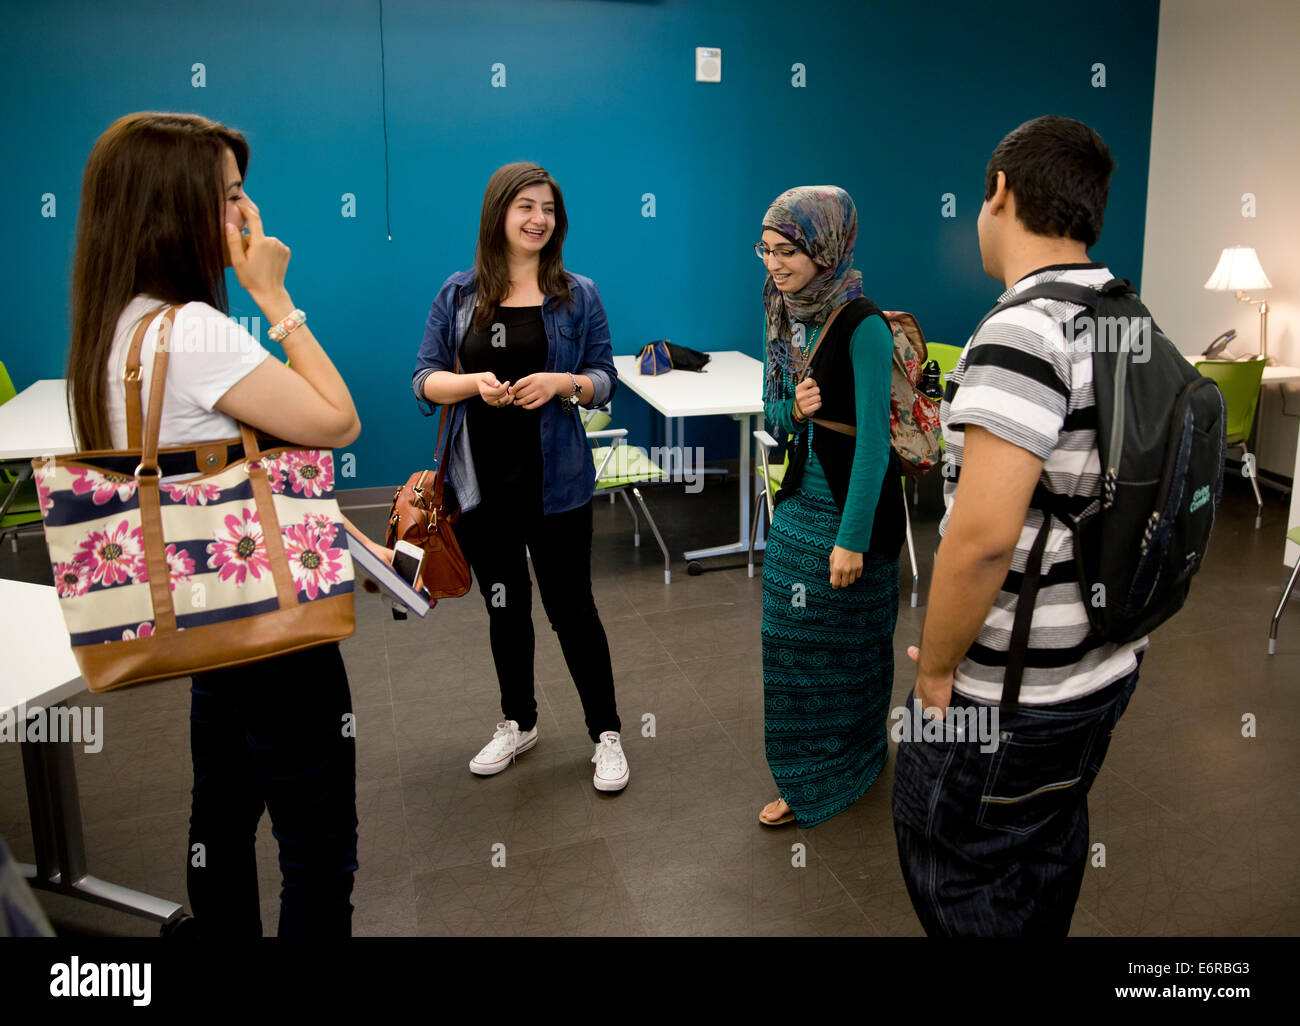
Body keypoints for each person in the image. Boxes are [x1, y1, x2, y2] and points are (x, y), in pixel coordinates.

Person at [65, 111, 363, 936]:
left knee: (221, 821)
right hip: (273, 625)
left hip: (202, 616)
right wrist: (274, 296)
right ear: (174, 203)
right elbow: (338, 420)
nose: (245, 213)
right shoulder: (192, 330)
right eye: (231, 194)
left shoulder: (114, 330)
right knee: (316, 843)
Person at [892, 115, 1143, 936]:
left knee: (959, 870)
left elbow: (981, 538)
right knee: (1044, 845)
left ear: (999, 192)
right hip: (1102, 666)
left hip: (1010, 694)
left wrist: (937, 671)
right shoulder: (1129, 321)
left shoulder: (1021, 330)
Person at [411, 162, 628, 792]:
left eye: (549, 210)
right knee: (505, 609)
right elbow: (424, 379)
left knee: (573, 611)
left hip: (557, 485)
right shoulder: (458, 294)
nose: (538, 219)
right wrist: (474, 384)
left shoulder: (578, 294)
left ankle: (607, 734)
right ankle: (518, 722)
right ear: (499, 214)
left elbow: (604, 378)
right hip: (480, 486)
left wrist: (566, 383)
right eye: (525, 207)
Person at [756, 186, 904, 828]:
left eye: (787, 251)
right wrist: (796, 409)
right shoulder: (781, 308)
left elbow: (874, 443)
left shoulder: (864, 324)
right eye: (765, 250)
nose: (774, 264)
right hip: (795, 506)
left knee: (855, 650)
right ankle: (803, 768)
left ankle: (855, 755)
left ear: (824, 246)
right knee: (788, 647)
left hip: (853, 513)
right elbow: (772, 412)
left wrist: (852, 540)